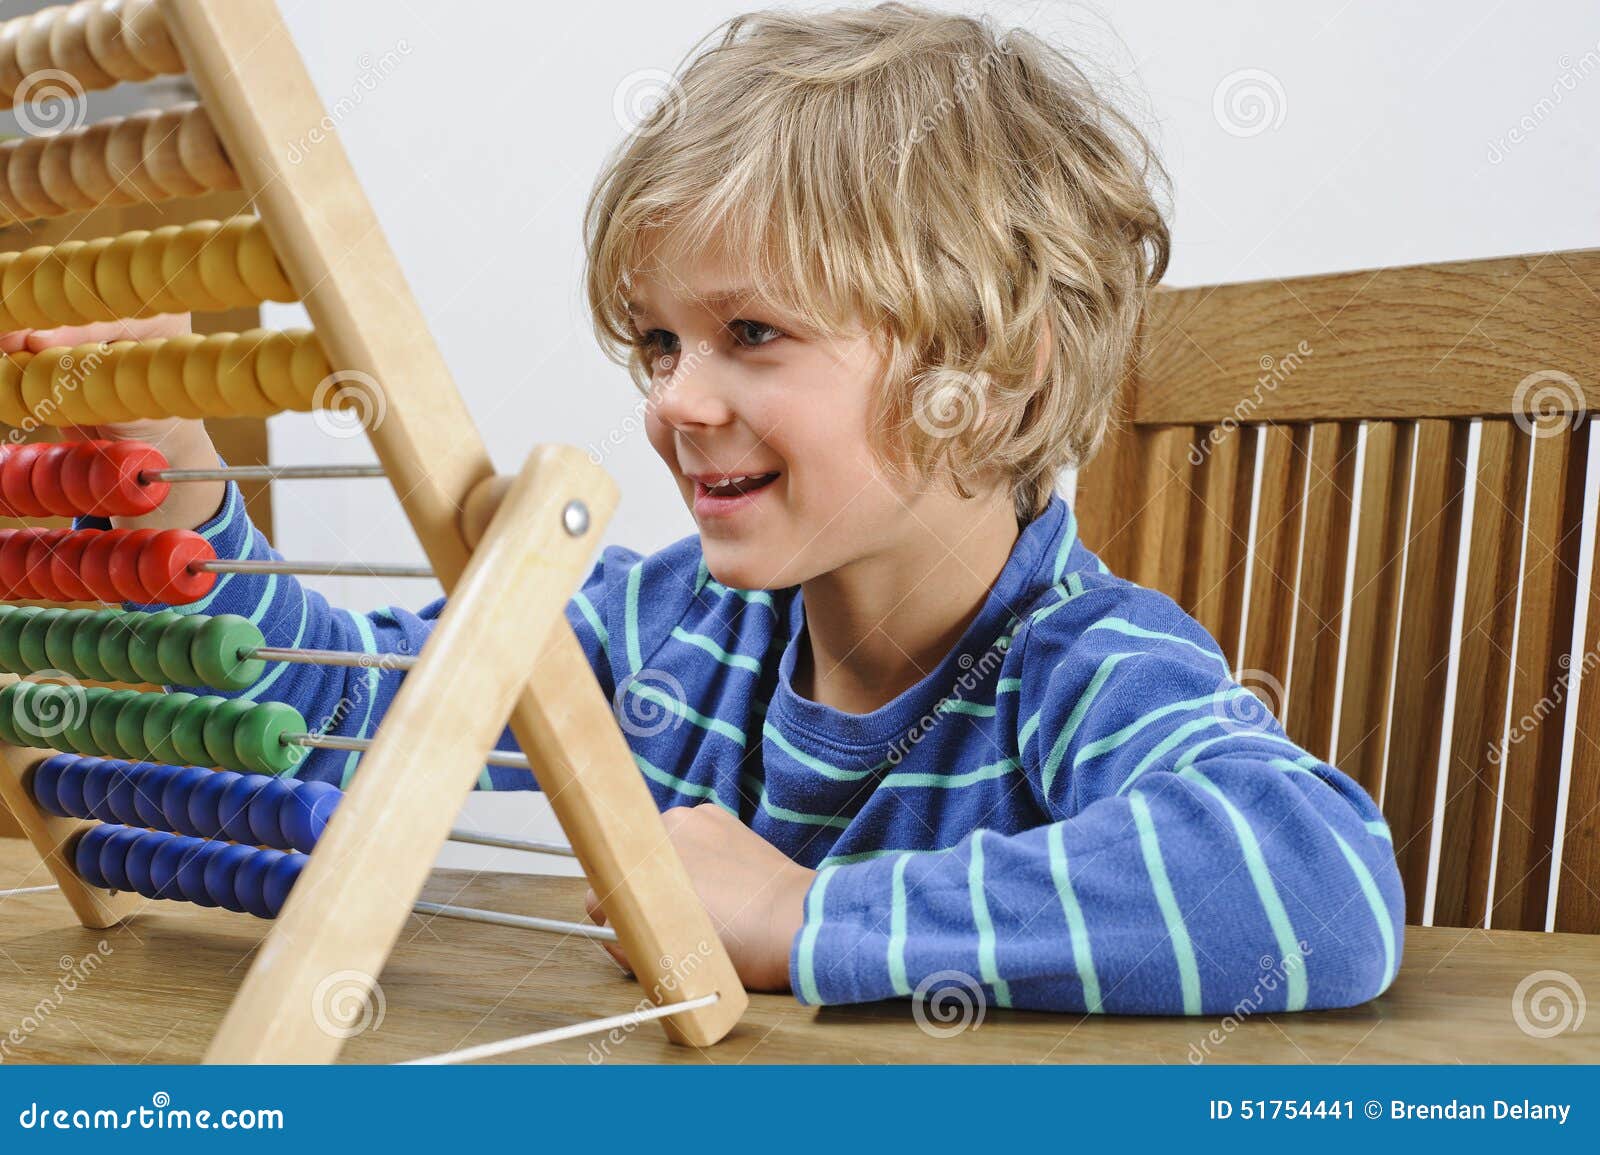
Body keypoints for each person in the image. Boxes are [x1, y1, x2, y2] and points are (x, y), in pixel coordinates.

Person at [25, 3, 1402, 1014]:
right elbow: (339, 717)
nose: (677, 401)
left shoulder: (1079, 665)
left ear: (991, 372)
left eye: (751, 332)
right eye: (658, 343)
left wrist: (809, 915)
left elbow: (1317, 887)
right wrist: (173, 475)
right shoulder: (660, 627)